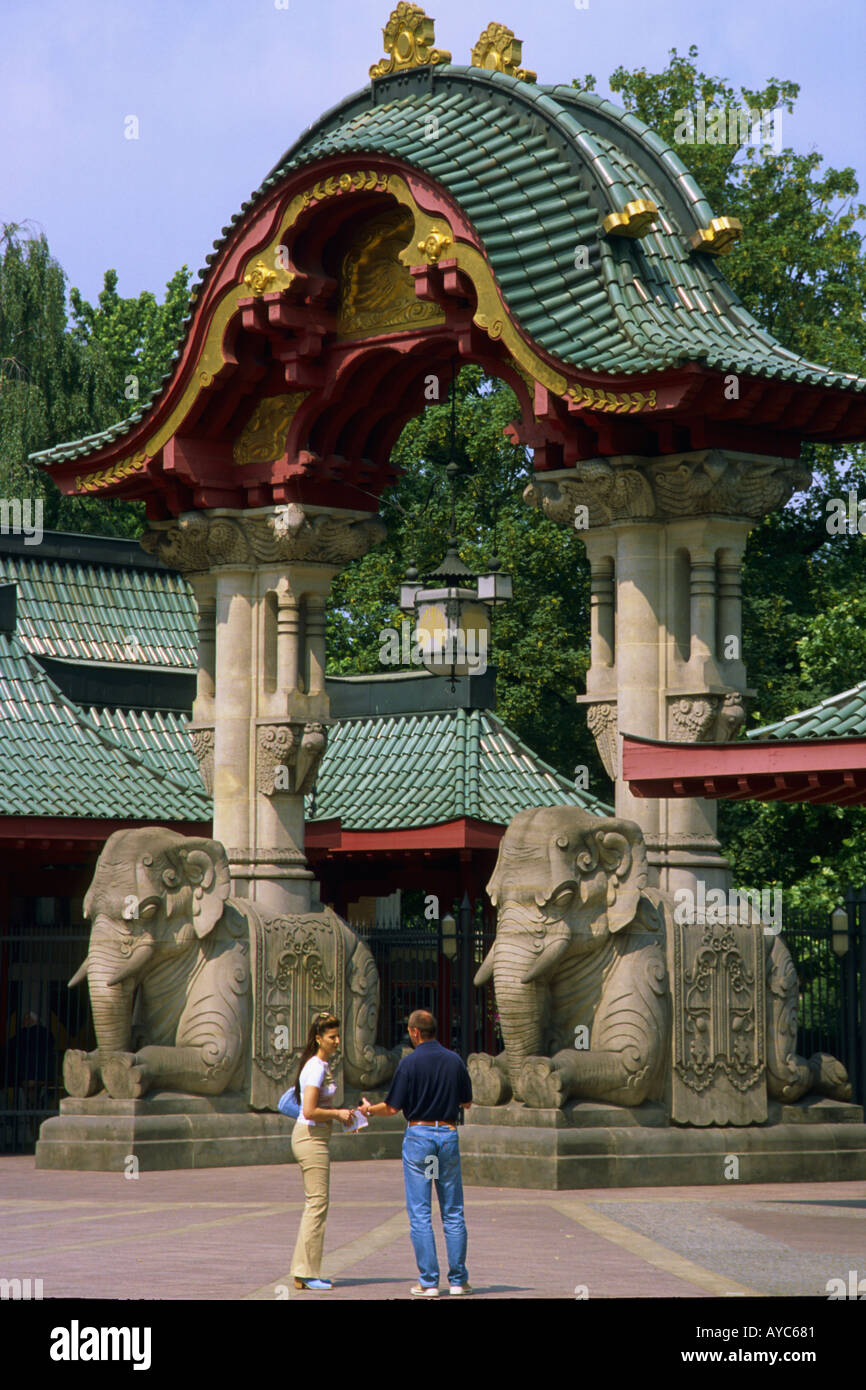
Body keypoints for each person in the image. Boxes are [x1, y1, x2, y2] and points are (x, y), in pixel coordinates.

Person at [362, 1008, 472, 1297]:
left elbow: (393, 1107)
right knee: (452, 1211)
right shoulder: (454, 1060)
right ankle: (459, 1280)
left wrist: (368, 1110)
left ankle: (429, 1281)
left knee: (421, 1211)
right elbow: (468, 1102)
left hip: (420, 1136)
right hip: (446, 1135)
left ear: (414, 1032)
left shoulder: (409, 1064)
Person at [290, 1011, 357, 1292]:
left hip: (315, 1137)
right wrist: (338, 1114)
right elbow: (310, 1110)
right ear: (319, 1039)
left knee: (316, 1203)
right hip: (311, 1137)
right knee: (317, 1204)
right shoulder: (316, 1066)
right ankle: (306, 1272)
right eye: (332, 1037)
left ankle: (303, 1270)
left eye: (338, 1035)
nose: (337, 1041)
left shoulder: (320, 1065)